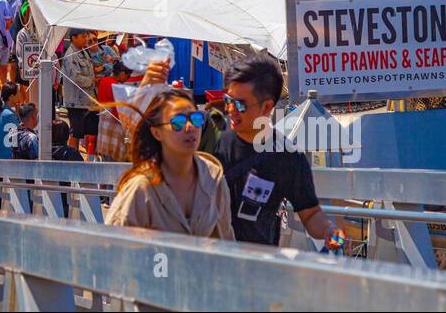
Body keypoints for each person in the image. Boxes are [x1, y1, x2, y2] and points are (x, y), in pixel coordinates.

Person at [210, 55, 337, 249]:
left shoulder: (287, 156)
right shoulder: (211, 134)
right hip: (206, 259)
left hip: (256, 265)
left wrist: (331, 232)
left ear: (267, 106)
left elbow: (310, 214)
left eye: (240, 104)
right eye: (228, 100)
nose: (230, 109)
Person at [103, 89, 236, 239]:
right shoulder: (141, 188)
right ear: (157, 133)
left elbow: (225, 243)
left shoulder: (213, 176)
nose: (190, 127)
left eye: (196, 118)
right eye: (178, 123)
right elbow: (112, 249)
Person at [61, 28, 99, 150]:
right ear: (74, 38)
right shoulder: (70, 55)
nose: (86, 39)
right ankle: (73, 159)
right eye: (83, 36)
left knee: (92, 132)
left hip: (89, 100)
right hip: (76, 102)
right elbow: (75, 78)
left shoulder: (84, 52)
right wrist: (92, 81)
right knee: (76, 134)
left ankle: (90, 160)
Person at [0, 82, 22, 161]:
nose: (20, 94)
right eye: (18, 93)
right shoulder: (9, 115)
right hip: (6, 157)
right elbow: (15, 138)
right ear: (11, 97)